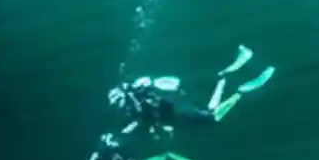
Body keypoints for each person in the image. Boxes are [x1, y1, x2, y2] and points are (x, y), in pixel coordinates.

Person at [107, 45, 276, 139]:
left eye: (117, 103)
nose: (118, 107)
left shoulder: (136, 101)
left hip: (176, 109)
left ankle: (240, 91)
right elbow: (144, 119)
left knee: (212, 116)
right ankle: (224, 77)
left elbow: (146, 116)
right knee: (208, 110)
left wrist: (155, 128)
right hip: (176, 107)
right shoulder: (135, 102)